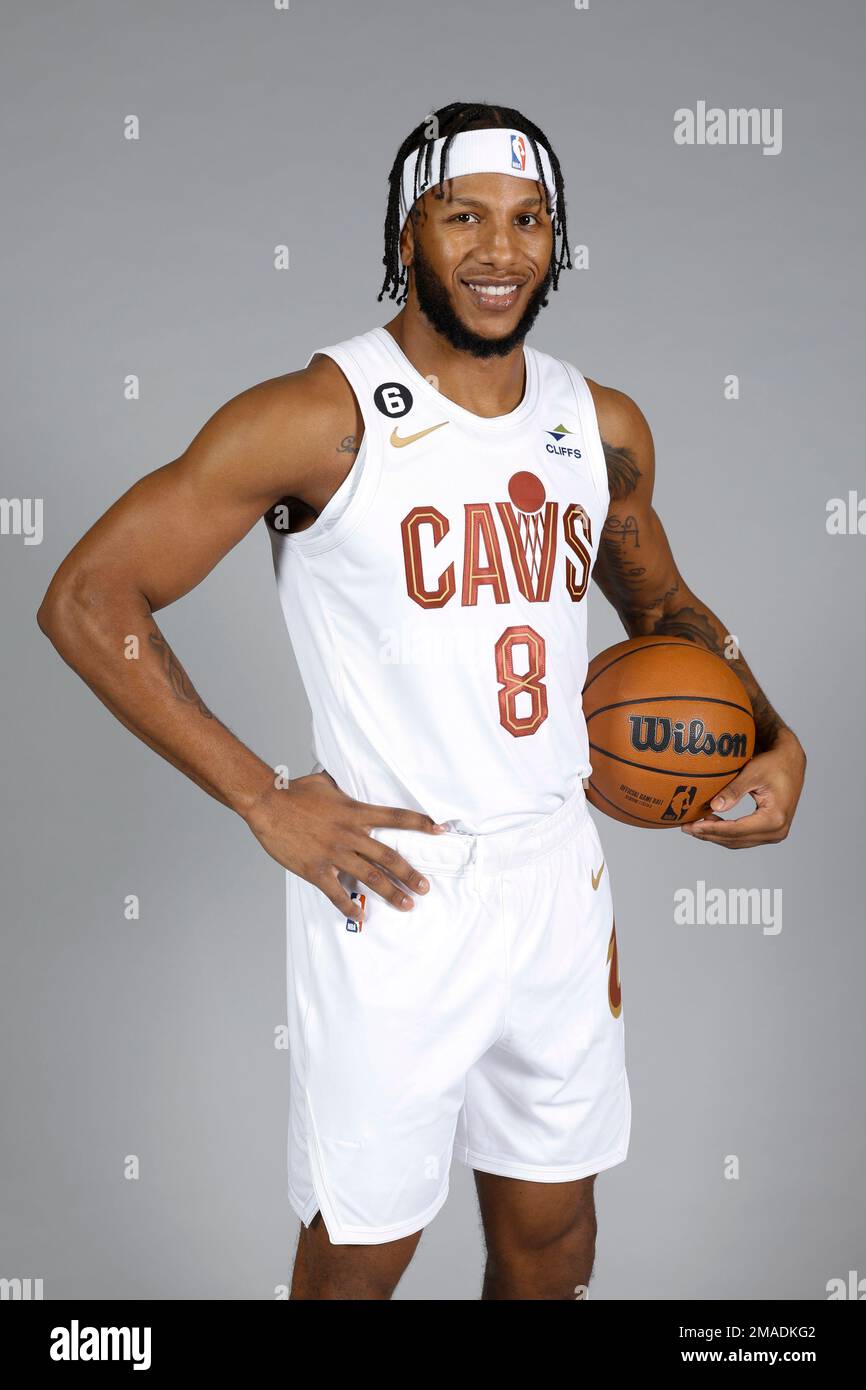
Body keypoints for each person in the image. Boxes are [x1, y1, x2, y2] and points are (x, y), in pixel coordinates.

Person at [37, 101, 806, 1300]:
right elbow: (90, 596)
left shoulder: (595, 425)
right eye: (465, 219)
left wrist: (773, 732)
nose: (499, 253)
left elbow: (666, 615)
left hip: (556, 872)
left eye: (527, 221)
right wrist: (259, 797)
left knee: (550, 1239)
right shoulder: (321, 415)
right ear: (408, 234)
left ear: (557, 239)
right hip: (395, 883)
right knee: (359, 1258)